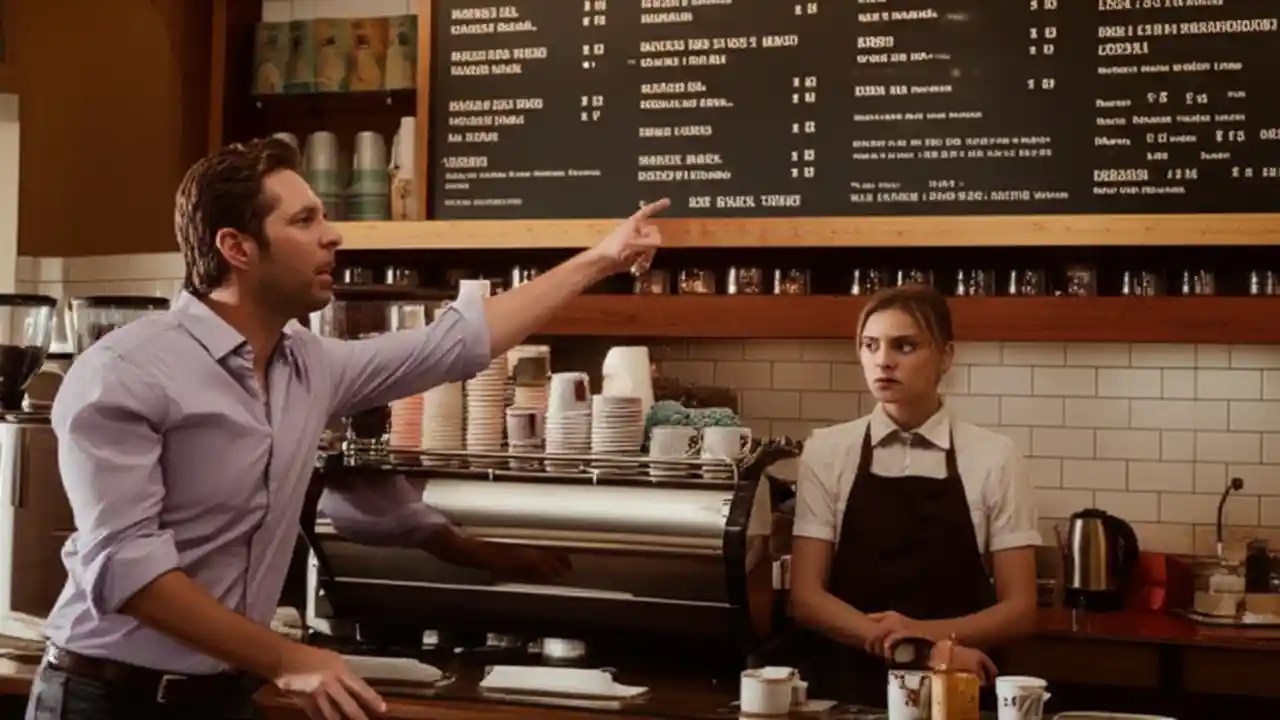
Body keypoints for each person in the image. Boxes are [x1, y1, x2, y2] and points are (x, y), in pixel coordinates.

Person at [24, 136, 670, 720]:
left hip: (223, 697)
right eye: (304, 220)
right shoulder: (125, 371)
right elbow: (130, 575)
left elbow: (459, 342)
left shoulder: (310, 364)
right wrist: (289, 659)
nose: (332, 235)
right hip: (105, 698)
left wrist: (603, 257)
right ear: (237, 247)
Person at [788, 284, 1041, 706]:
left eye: (904, 346)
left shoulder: (995, 456)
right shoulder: (826, 451)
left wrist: (928, 638)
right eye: (870, 345)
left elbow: (1020, 610)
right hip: (848, 688)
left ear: (946, 356)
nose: (883, 360)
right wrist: (921, 651)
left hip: (956, 685)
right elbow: (806, 599)